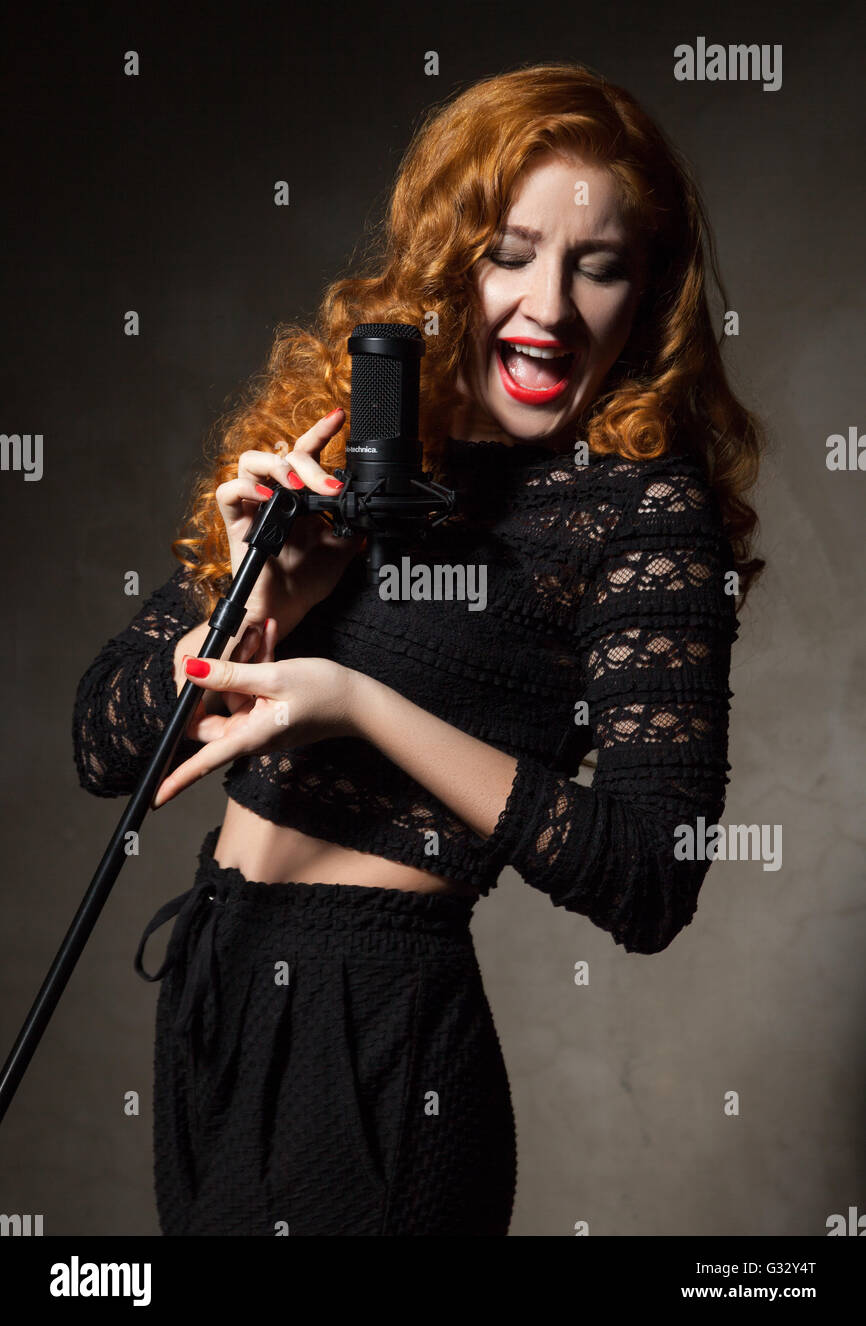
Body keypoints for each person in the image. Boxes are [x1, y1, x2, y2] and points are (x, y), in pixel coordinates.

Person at [71, 61, 764, 1237]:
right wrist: (260, 605)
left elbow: (652, 876)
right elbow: (102, 736)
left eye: (596, 266)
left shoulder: (638, 512)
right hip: (214, 990)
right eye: (510, 252)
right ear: (450, 262)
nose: (548, 302)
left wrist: (357, 701)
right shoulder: (350, 439)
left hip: (379, 1037)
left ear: (644, 296)